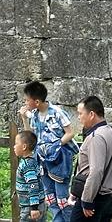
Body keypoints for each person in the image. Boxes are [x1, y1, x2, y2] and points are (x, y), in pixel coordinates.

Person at [19, 81, 76, 222]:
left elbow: (70, 133)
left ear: (37, 101)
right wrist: (24, 118)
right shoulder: (34, 115)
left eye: (27, 100)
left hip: (60, 161)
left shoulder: (57, 112)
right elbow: (30, 136)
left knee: (63, 199)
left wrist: (55, 146)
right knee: (50, 199)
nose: (25, 103)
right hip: (43, 162)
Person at [70, 96, 112, 222]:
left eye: (80, 113)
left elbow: (96, 171)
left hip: (95, 197)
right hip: (107, 197)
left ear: (91, 114)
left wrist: (87, 200)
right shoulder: (109, 132)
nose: (79, 117)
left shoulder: (96, 136)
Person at [14, 130, 46, 221]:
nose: (14, 146)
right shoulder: (28, 161)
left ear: (24, 147)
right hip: (30, 206)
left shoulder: (28, 165)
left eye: (16, 144)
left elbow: (33, 186)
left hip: (30, 208)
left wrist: (34, 208)